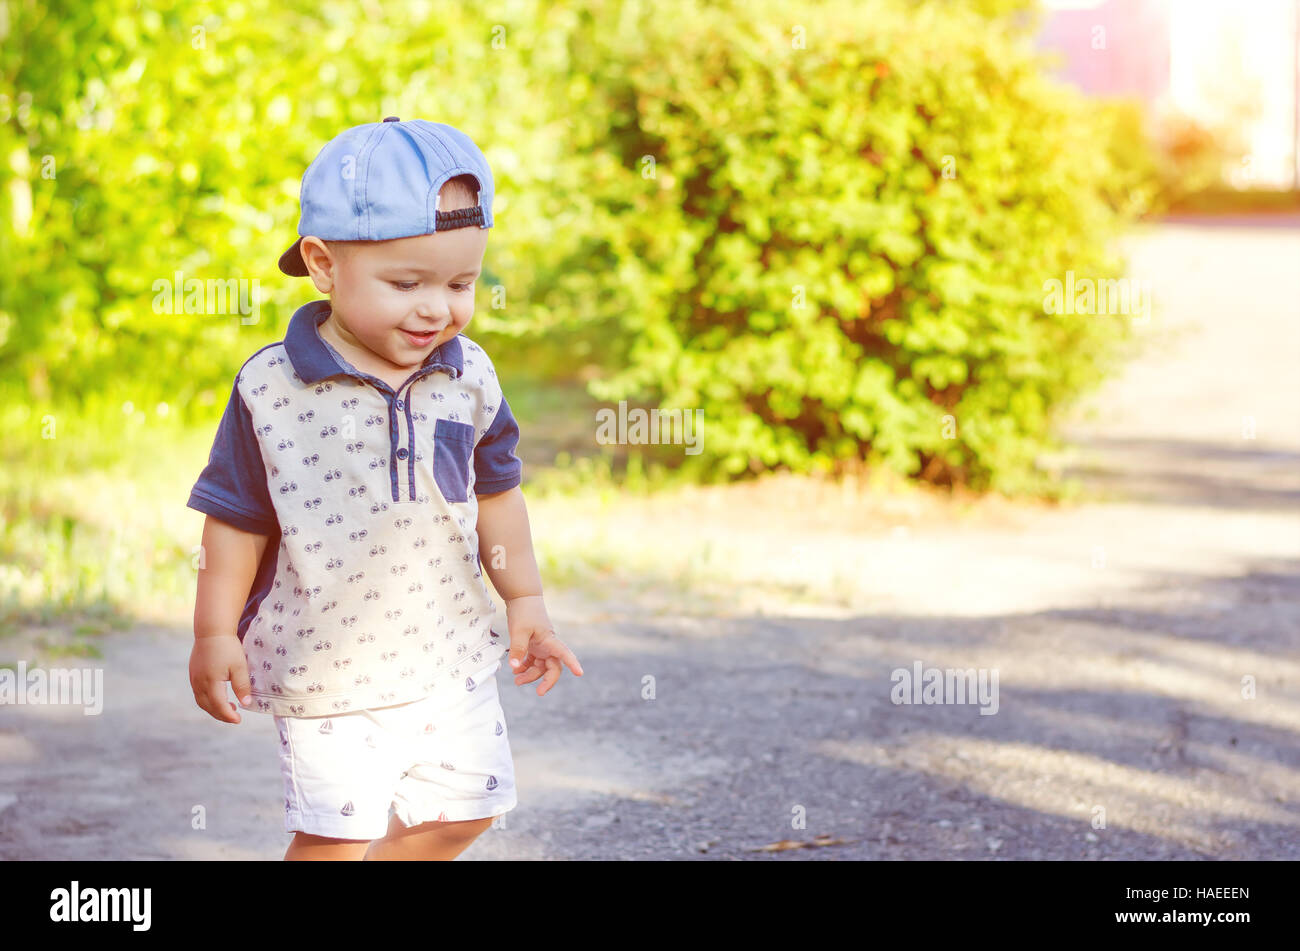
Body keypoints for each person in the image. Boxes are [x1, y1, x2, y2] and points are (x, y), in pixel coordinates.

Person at [186, 117, 582, 860]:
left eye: (461, 283)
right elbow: (233, 520)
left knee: (460, 815)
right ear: (323, 264)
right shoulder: (272, 387)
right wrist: (213, 632)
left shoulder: (470, 376)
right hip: (328, 664)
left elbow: (497, 495)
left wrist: (525, 600)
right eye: (407, 283)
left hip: (448, 649)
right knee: (337, 836)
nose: (437, 308)